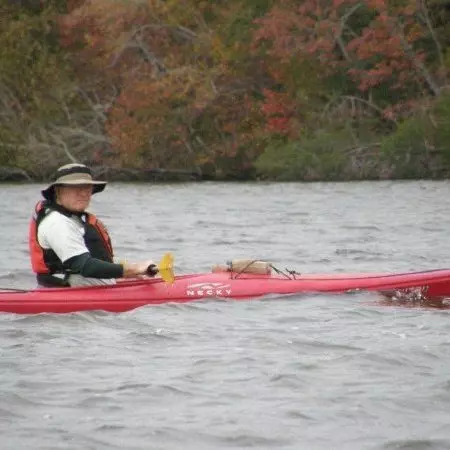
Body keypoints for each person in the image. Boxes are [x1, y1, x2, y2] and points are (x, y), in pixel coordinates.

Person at [29, 163, 156, 287]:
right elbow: (85, 267)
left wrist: (131, 271)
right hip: (65, 293)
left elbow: (98, 259)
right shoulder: (57, 222)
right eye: (75, 188)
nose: (83, 193)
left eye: (87, 188)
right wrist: (134, 269)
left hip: (84, 286)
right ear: (58, 191)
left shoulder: (74, 219)